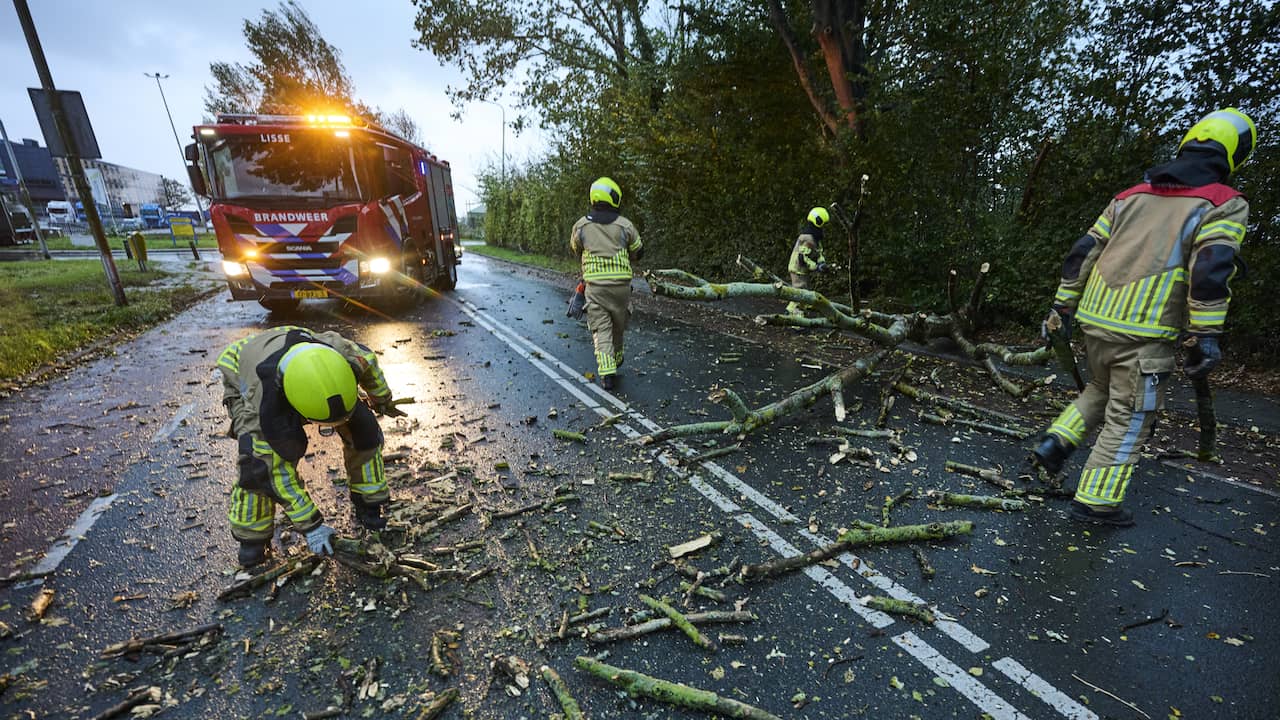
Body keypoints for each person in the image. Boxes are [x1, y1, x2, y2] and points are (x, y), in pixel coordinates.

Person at [1031, 108, 1255, 526]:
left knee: (1101, 386)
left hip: (1096, 318)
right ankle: (1097, 502)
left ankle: (1056, 441)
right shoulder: (1223, 204)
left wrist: (1062, 305)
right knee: (1131, 415)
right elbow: (1210, 267)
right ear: (1235, 154)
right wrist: (1206, 334)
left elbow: (1084, 251)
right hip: (1145, 331)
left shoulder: (1128, 196)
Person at [216, 325, 404, 567]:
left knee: (364, 430)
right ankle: (251, 542)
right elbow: (275, 474)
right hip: (243, 367)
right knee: (256, 468)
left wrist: (382, 400)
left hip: (302, 356)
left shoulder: (346, 355)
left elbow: (369, 364)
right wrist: (312, 526)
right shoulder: (262, 410)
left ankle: (369, 503)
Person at [569, 177, 643, 390]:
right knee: (618, 326)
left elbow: (575, 248)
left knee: (601, 329)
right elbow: (638, 251)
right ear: (614, 198)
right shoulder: (625, 225)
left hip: (595, 289)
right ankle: (617, 356)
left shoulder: (581, 226)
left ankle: (607, 374)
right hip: (621, 288)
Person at [786, 207, 833, 315]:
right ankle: (794, 317)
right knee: (800, 293)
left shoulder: (815, 237)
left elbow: (818, 252)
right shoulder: (807, 238)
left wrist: (822, 263)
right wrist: (816, 267)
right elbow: (803, 258)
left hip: (802, 270)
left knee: (803, 292)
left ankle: (795, 313)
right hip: (797, 268)